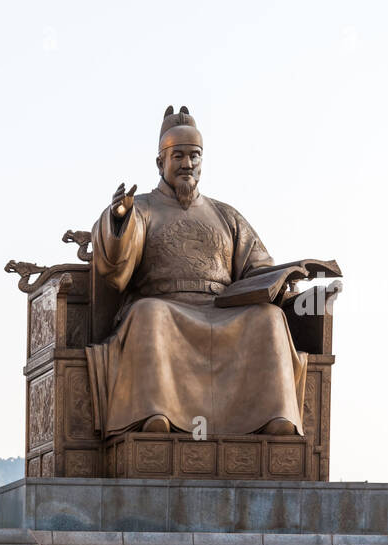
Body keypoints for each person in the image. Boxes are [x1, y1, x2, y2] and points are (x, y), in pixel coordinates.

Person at [85, 105, 307, 438]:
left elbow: (258, 266)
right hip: (165, 305)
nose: (187, 163)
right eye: (179, 156)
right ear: (161, 162)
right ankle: (155, 414)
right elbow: (115, 265)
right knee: (149, 313)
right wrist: (118, 218)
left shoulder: (225, 214)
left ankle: (274, 417)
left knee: (268, 319)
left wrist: (282, 281)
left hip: (221, 308)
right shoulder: (142, 208)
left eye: (195, 156)